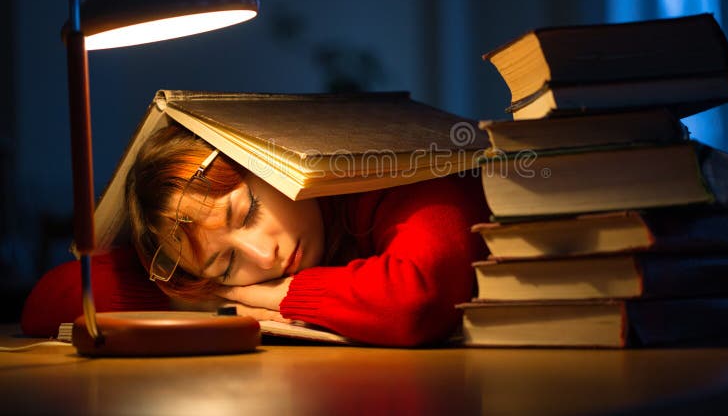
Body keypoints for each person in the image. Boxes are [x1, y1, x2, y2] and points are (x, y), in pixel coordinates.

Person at [22, 123, 490, 346]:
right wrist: (203, 294)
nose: (263, 256)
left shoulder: (397, 174)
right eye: (225, 263)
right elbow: (52, 300)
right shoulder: (231, 270)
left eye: (247, 212)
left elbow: (416, 300)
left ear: (271, 159)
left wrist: (270, 296)